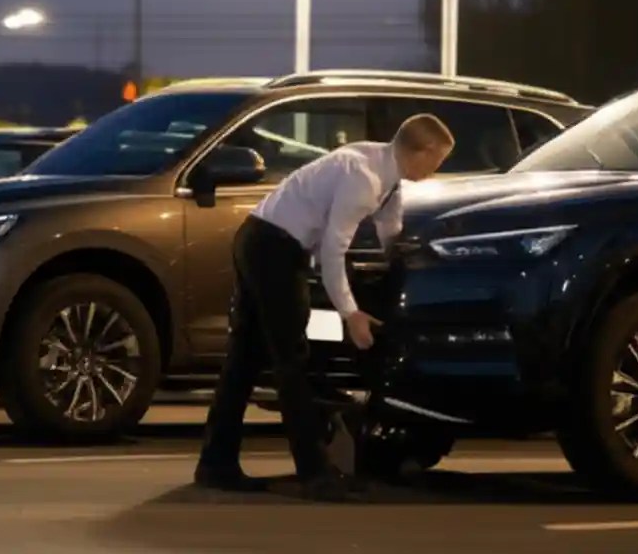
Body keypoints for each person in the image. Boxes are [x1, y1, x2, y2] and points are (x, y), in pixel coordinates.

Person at [195, 114, 455, 501]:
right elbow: (333, 251)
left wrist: (402, 267)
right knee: (291, 360)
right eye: (439, 159)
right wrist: (351, 314)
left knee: (245, 358)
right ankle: (314, 473)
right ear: (422, 152)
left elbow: (390, 231)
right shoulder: (364, 179)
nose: (439, 169)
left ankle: (216, 463)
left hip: (260, 237)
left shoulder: (386, 176)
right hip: (273, 248)